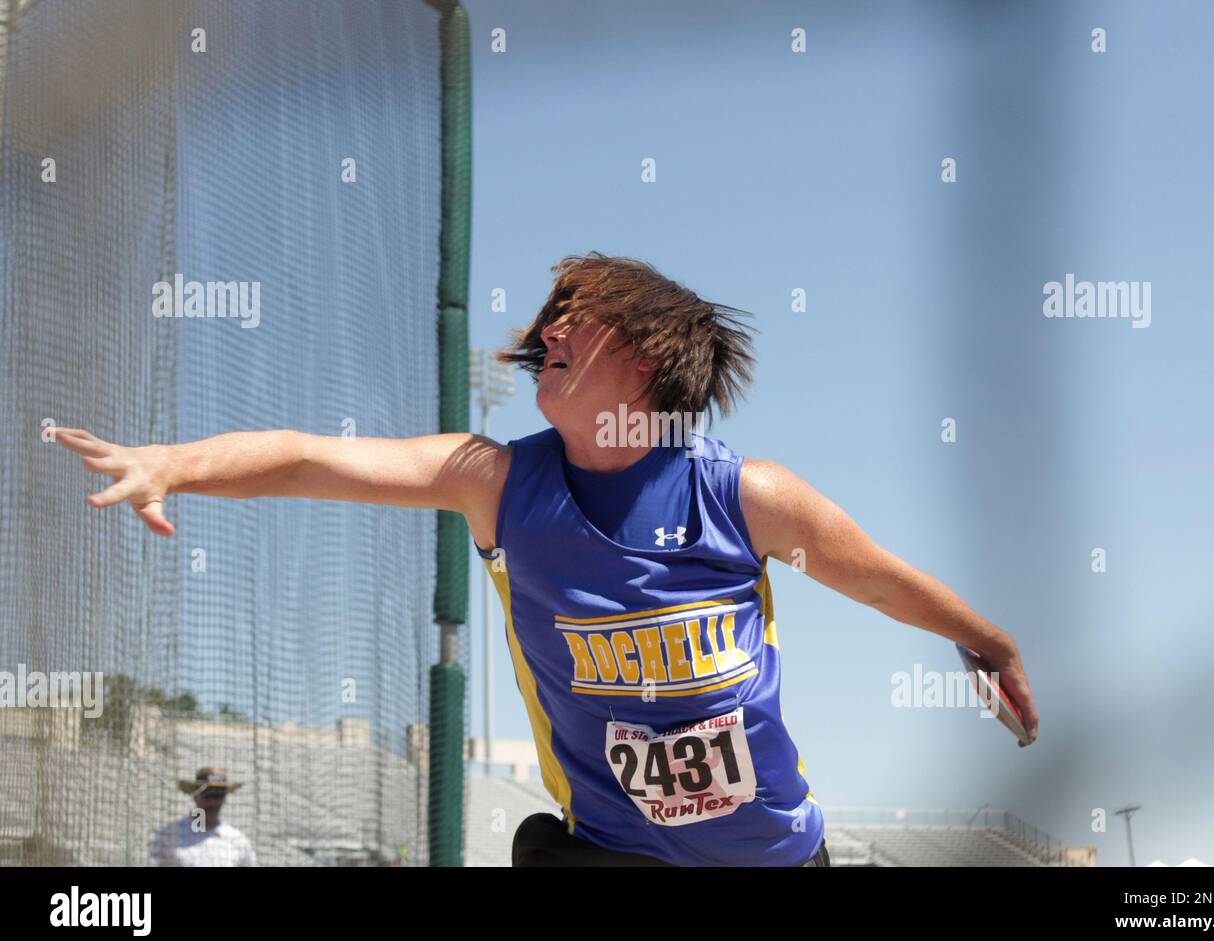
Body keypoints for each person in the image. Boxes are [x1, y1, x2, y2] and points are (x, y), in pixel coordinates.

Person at [57, 252, 1038, 867]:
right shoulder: (494, 478)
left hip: (774, 852)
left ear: (649, 358)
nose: (548, 331)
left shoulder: (744, 493)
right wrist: (173, 464)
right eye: (548, 317)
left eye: (580, 316)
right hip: (612, 852)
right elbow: (314, 457)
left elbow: (877, 577)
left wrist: (985, 639)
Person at [150, 767, 257, 867]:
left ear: (225, 798)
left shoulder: (237, 840)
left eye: (218, 795)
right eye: (207, 795)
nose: (212, 801)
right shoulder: (170, 835)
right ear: (195, 796)